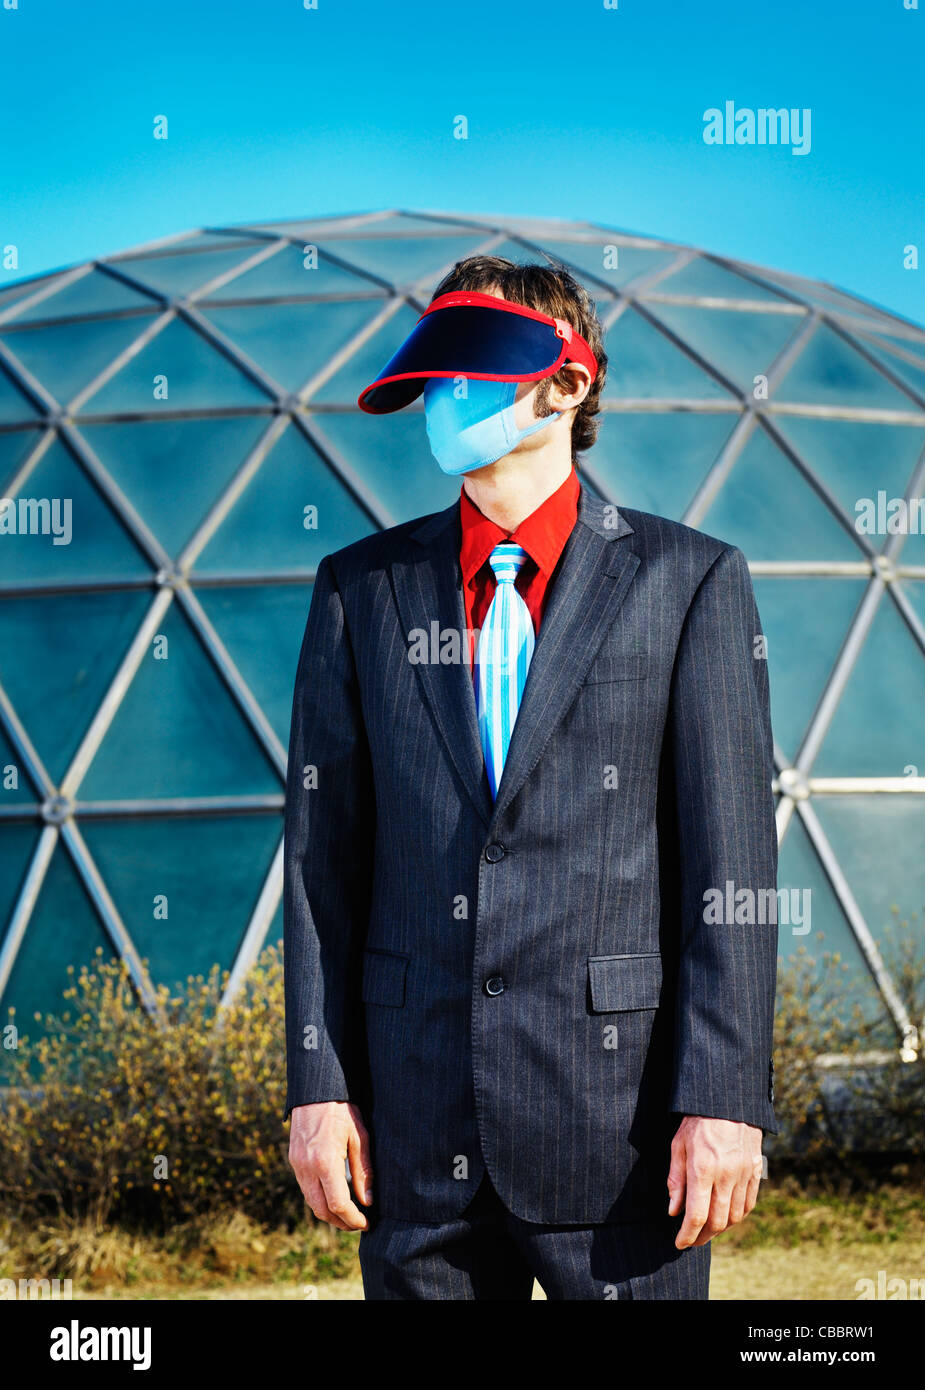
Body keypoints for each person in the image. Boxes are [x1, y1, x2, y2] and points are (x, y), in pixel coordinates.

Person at [283, 255, 779, 1300]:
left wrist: (724, 1099)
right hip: (419, 1144)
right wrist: (319, 1088)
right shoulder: (361, 592)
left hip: (622, 1138)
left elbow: (728, 864)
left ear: (568, 383)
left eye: (478, 363)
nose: (445, 395)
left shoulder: (688, 582)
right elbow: (323, 867)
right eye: (436, 370)